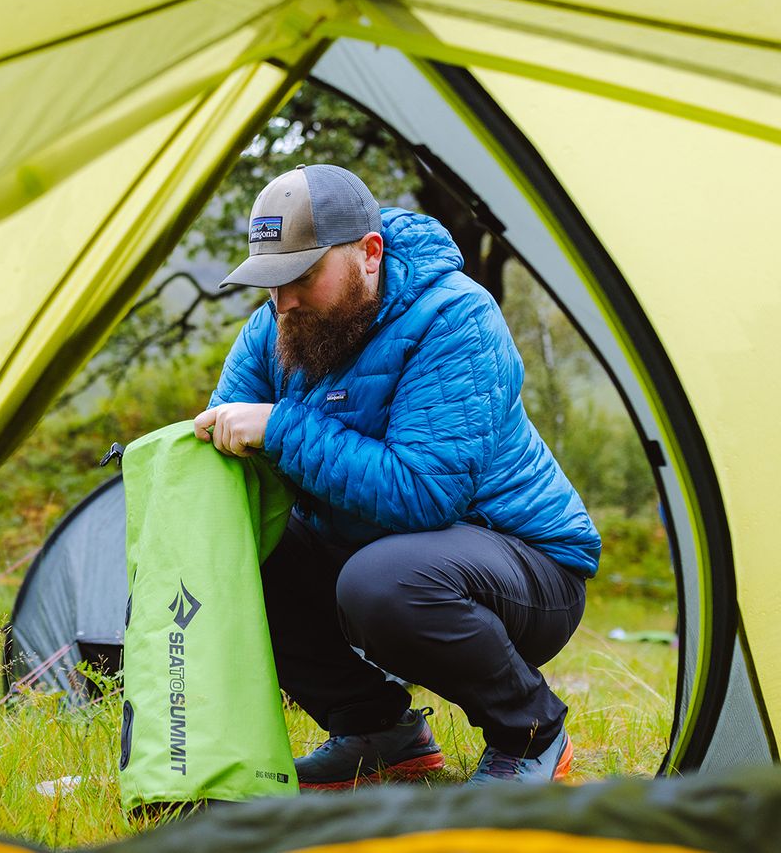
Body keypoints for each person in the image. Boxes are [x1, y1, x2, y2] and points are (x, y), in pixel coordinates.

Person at [192, 164, 599, 786]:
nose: (286, 302)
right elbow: (225, 466)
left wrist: (279, 429)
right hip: (374, 561)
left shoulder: (456, 317)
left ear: (369, 254)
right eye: (270, 284)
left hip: (523, 567)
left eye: (301, 277)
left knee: (380, 581)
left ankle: (531, 731)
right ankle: (379, 734)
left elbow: (425, 492)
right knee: (237, 545)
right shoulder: (273, 329)